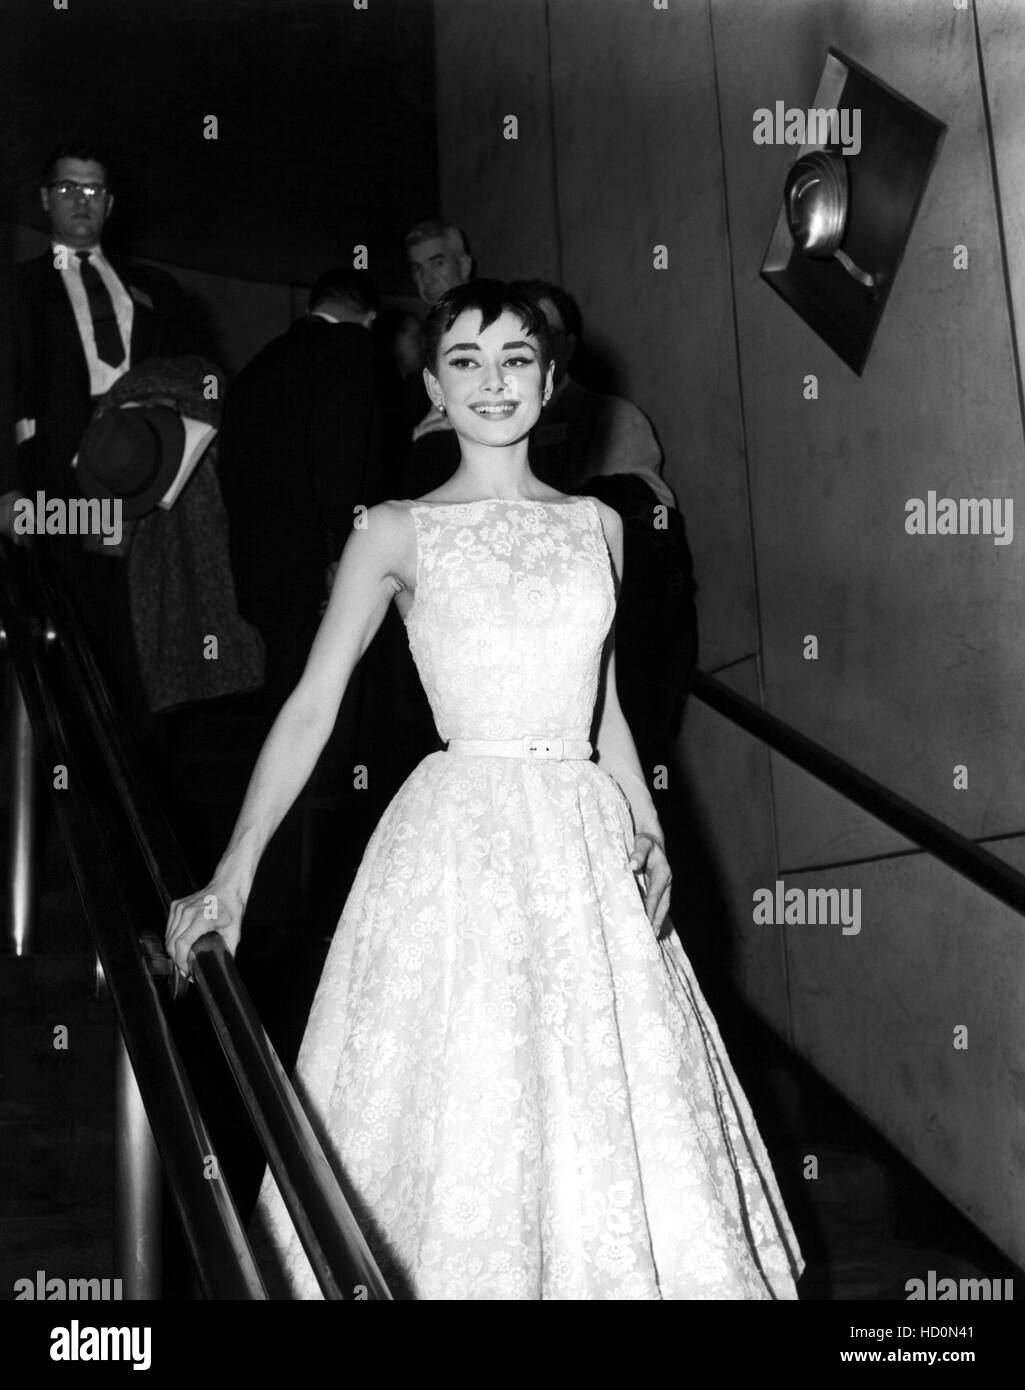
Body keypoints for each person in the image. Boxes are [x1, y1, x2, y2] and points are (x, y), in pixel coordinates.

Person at [166, 280, 803, 1300]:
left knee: (602, 1108)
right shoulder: (394, 530)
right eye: (464, 360)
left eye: (514, 360)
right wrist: (234, 873)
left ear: (551, 384)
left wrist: (650, 829)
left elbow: (602, 710)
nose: (491, 382)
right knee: (460, 1105)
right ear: (431, 385)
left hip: (584, 848)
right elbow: (308, 708)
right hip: (455, 842)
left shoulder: (600, 526)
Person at [216, 267, 403, 923]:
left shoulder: (260, 364)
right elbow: (340, 456)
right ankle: (307, 899)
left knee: (290, 711)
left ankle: (274, 888)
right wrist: (337, 556)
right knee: (328, 731)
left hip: (263, 574)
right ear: (368, 316)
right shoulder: (349, 350)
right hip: (319, 571)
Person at [0, 141, 188, 739]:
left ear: (110, 206)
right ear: (45, 201)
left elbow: (188, 379)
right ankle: (65, 781)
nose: (81, 201)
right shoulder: (18, 288)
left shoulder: (155, 286)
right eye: (68, 189)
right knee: (67, 632)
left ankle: (133, 776)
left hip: (145, 486)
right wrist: (8, 490)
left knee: (137, 642)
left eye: (94, 191)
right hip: (56, 490)